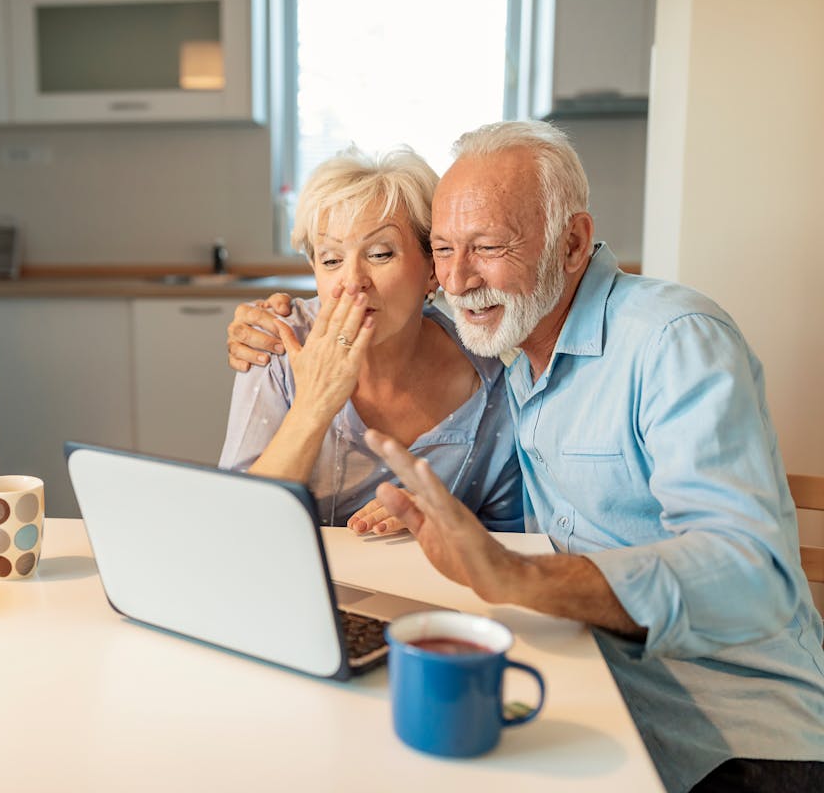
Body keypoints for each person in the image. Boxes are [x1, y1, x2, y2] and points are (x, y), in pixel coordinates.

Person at [226, 121, 824, 792]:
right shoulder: (514, 358)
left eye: (486, 247)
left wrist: (521, 576)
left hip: (733, 732)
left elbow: (749, 573)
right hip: (581, 689)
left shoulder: (670, 340)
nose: (457, 277)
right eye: (447, 247)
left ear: (571, 243)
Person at [219, 147, 521, 531]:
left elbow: (512, 539)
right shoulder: (278, 341)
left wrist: (445, 519)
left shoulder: (496, 381)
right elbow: (235, 525)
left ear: (433, 269)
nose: (352, 280)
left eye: (379, 254)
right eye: (330, 260)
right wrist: (313, 405)